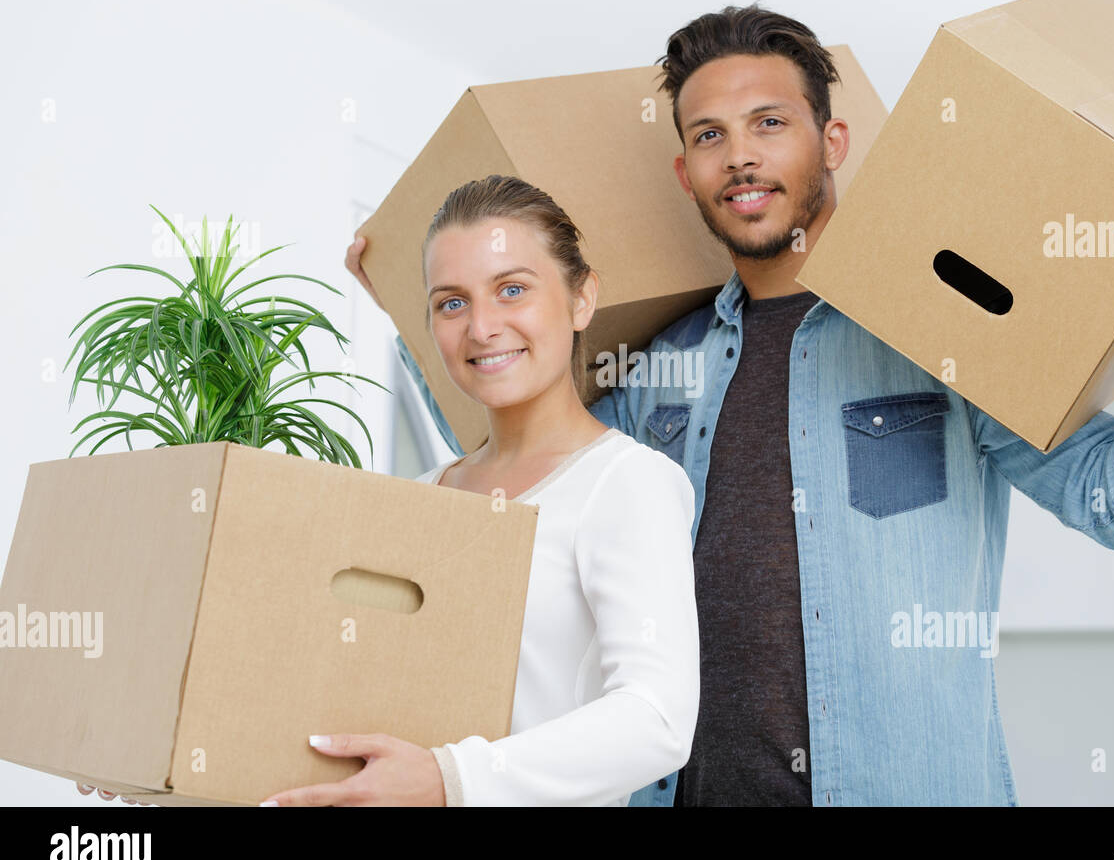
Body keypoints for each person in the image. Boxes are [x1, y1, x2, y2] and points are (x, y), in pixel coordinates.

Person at [357, 6, 1114, 806]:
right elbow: (523, 473)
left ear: (832, 143)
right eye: (709, 135)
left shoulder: (941, 341)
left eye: (770, 123)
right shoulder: (656, 370)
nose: (740, 154)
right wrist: (407, 300)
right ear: (685, 172)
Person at [84, 175, 700, 808]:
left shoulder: (628, 483)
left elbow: (655, 718)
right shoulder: (417, 499)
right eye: (451, 302)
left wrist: (447, 780)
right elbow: (337, 723)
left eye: (512, 289)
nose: (482, 326)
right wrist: (170, 753)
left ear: (581, 297)